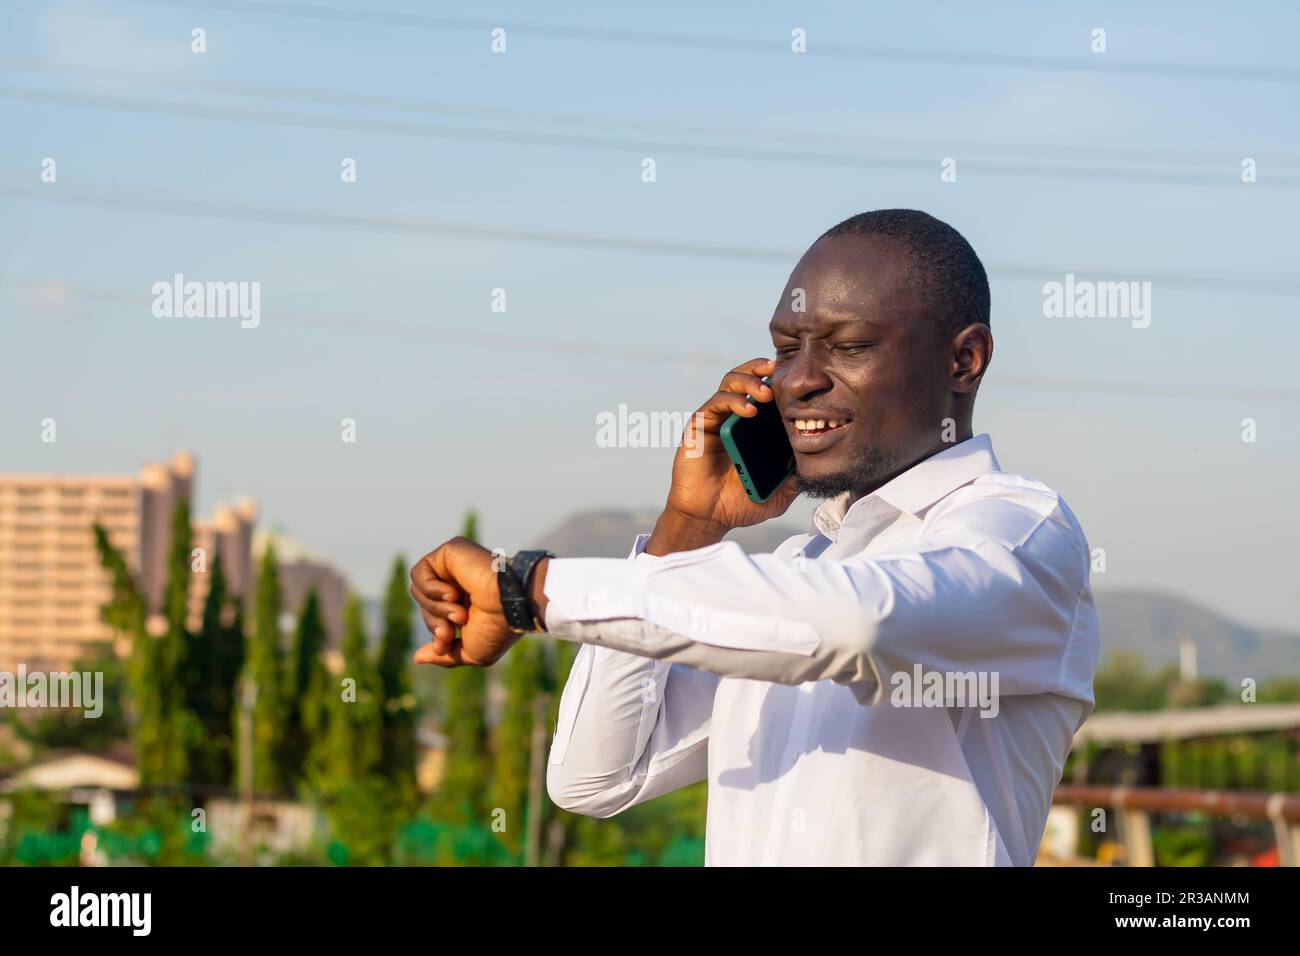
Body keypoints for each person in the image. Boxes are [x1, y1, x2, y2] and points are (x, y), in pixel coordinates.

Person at [410, 209, 1098, 866]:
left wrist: (527, 587)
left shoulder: (1020, 535)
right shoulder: (797, 572)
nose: (799, 379)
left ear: (964, 360)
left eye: (849, 346)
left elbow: (855, 623)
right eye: (785, 349)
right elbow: (594, 777)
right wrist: (688, 528)